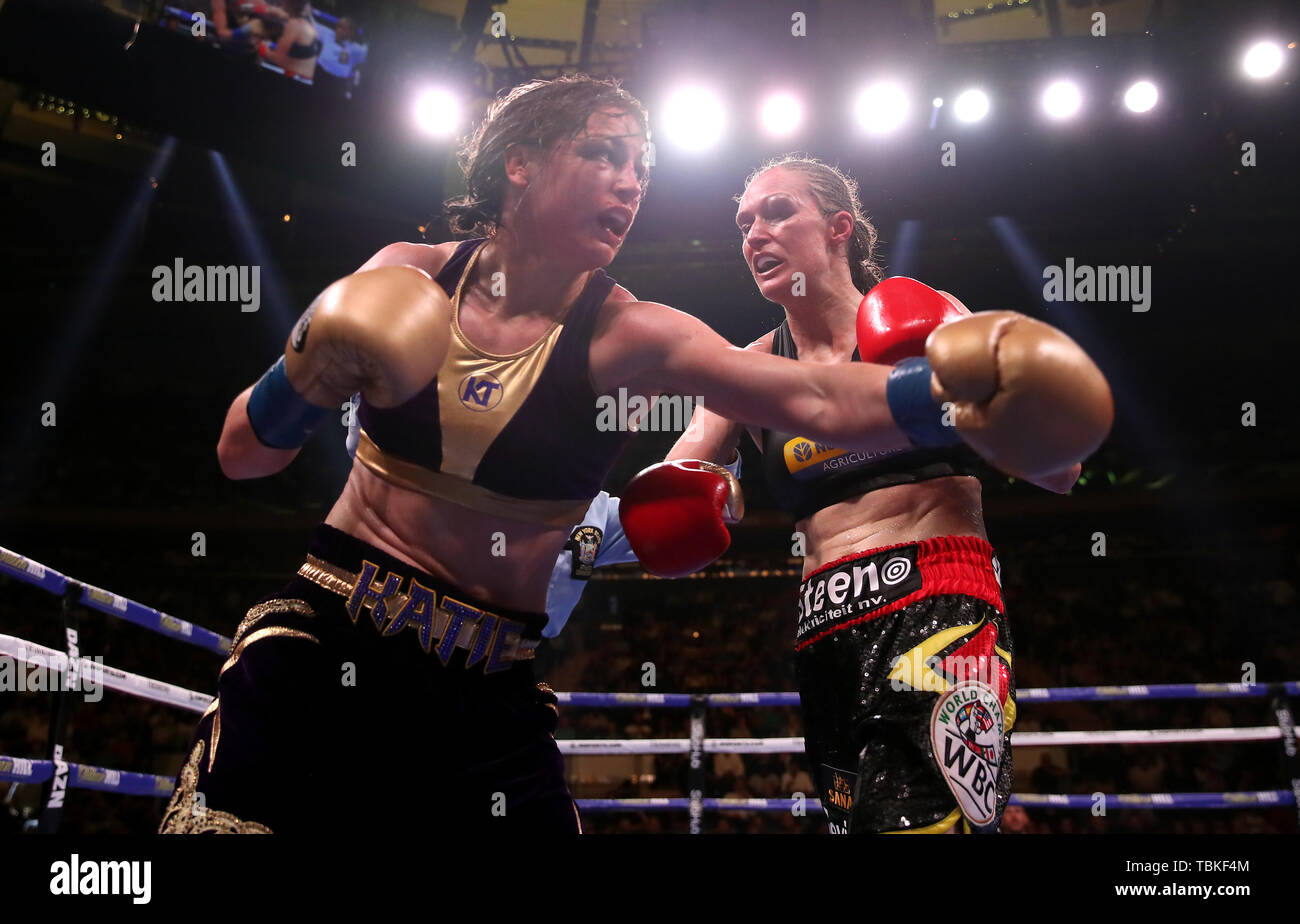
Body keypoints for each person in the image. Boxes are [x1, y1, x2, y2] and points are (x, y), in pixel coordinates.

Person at [160, 78, 1020, 835]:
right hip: (331, 634)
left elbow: (815, 398)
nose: (630, 183)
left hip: (489, 686)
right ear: (521, 163)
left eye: (640, 169)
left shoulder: (635, 333)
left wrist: (972, 389)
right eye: (604, 155)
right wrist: (305, 370)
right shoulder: (407, 276)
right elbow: (243, 454)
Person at [660, 155, 1112, 833]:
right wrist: (711, 490)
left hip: (938, 601)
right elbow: (669, 492)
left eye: (778, 211)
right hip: (823, 625)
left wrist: (977, 400)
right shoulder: (749, 371)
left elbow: (1059, 469)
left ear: (839, 227)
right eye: (744, 222)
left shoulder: (932, 321)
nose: (755, 233)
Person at [257, 0, 321, 82]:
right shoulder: (307, 20)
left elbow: (278, 59)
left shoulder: (295, 25)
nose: (281, 4)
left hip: (295, 80)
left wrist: (261, 46)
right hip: (302, 79)